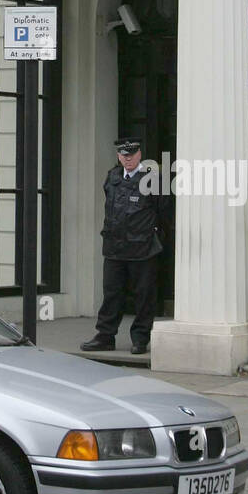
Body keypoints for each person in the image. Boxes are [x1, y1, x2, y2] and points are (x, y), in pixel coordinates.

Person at [81, 137, 163, 356]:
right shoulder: (113, 176)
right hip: (115, 246)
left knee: (143, 295)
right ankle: (105, 336)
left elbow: (164, 212)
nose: (128, 159)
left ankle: (140, 339)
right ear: (119, 156)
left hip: (142, 248)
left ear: (139, 155)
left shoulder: (152, 179)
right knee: (111, 293)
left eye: (132, 155)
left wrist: (153, 235)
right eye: (124, 155)